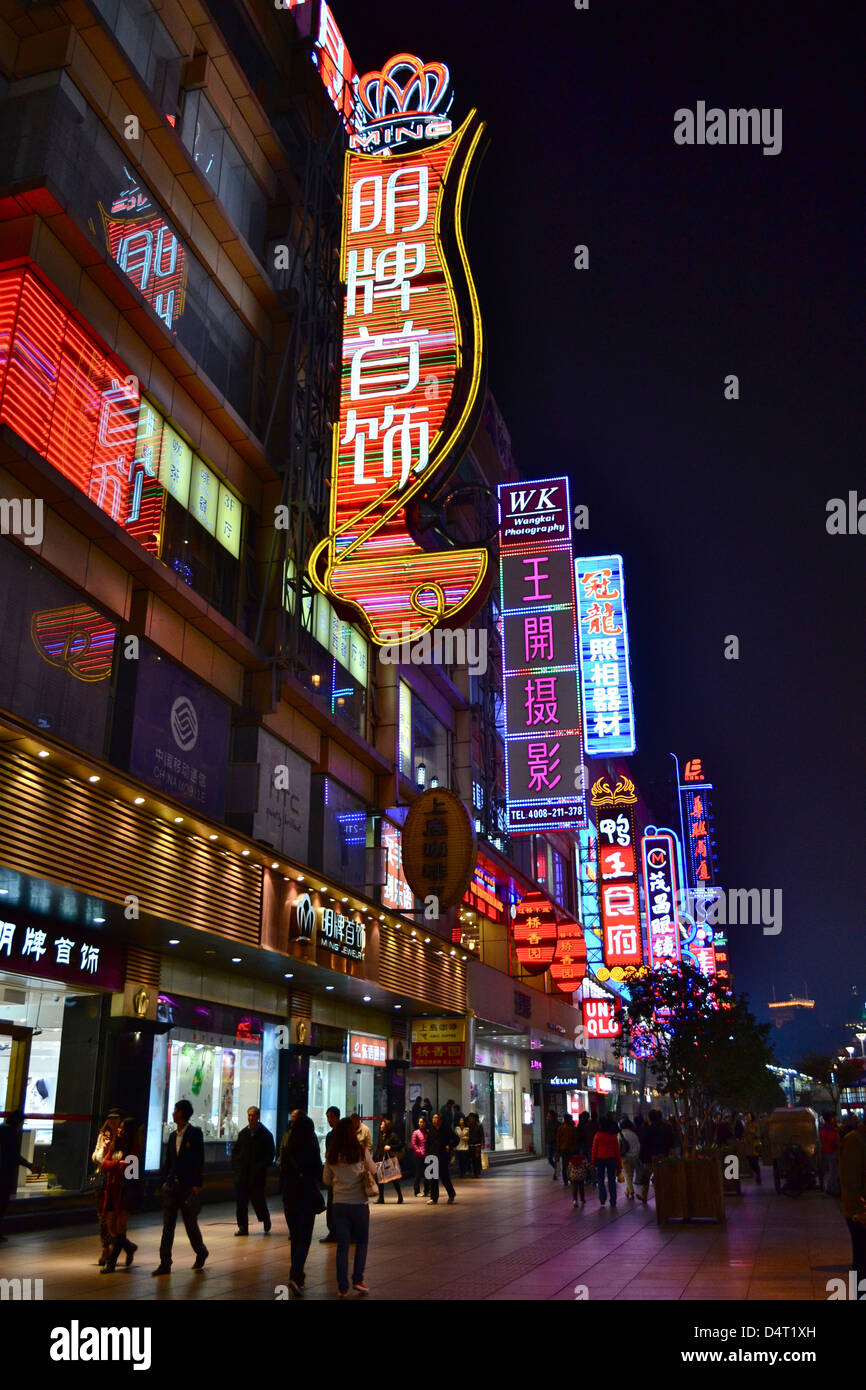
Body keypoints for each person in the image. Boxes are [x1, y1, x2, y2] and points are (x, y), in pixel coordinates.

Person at [323, 1116, 378, 1296]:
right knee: (361, 1242)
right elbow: (374, 1170)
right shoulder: (360, 1151)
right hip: (359, 1204)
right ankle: (358, 1279)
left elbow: (326, 1180)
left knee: (342, 1247)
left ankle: (342, 1287)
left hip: (339, 1204)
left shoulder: (331, 1154)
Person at [152, 1099, 208, 1275]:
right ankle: (165, 1262)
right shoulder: (172, 1135)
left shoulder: (195, 1134)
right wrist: (162, 1181)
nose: (173, 1113)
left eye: (175, 1110)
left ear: (182, 1113)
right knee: (168, 1226)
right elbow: (168, 1162)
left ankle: (201, 1252)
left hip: (187, 1187)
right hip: (171, 1186)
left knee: (190, 1224)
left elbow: (199, 1160)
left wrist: (197, 1184)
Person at [279, 1112, 324, 1295]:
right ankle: (295, 1274)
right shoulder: (311, 1147)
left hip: (289, 1196)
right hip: (306, 1196)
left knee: (295, 1237)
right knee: (304, 1239)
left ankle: (298, 1276)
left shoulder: (288, 1146)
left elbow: (283, 1170)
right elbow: (318, 1172)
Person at [98, 1117, 141, 1272]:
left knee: (120, 1226)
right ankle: (129, 1247)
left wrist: (115, 1166)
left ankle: (111, 1263)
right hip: (112, 1190)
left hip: (126, 1192)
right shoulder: (115, 1145)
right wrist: (117, 1164)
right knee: (111, 1227)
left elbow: (129, 1170)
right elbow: (104, 1164)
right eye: (119, 1127)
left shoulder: (134, 1148)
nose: (119, 1130)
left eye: (123, 1128)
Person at [232, 1105, 275, 1236]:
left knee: (258, 1200)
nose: (251, 1118)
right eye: (249, 1115)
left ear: (258, 1117)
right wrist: (237, 1168)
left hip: (257, 1175)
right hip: (243, 1175)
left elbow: (270, 1153)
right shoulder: (243, 1134)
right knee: (241, 1202)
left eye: (253, 1115)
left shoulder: (265, 1134)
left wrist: (261, 1167)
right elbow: (236, 1152)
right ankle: (243, 1227)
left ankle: (265, 1218)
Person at [0, 1110, 39, 1244]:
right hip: (4, 1173)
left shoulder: (1, 1129)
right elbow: (13, 1156)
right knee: (2, 1202)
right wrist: (29, 1165)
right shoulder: (11, 1134)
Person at [91, 1108, 122, 1264]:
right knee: (103, 1217)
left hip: (116, 1182)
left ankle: (122, 1246)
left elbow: (125, 1161)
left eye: (115, 1119)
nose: (112, 1122)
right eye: (110, 1119)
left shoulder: (123, 1137)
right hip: (103, 1181)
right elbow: (95, 1157)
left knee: (115, 1218)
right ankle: (106, 1248)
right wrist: (103, 1149)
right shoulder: (103, 1136)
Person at [839, 1115, 866, 1286]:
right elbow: (851, 1180)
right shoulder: (855, 1141)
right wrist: (860, 1210)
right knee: (863, 1261)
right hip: (859, 1212)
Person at [636, 1109, 674, 1203]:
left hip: (650, 1156)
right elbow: (670, 1141)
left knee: (646, 1177)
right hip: (662, 1155)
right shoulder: (666, 1127)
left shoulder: (649, 1128)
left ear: (650, 1117)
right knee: (661, 1177)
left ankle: (644, 1195)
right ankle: (663, 1195)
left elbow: (644, 1142)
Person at [425, 1112, 457, 1205]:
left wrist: (449, 1146)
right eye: (433, 1118)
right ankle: (434, 1198)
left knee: (444, 1177)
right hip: (432, 1157)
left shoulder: (446, 1129)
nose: (434, 1120)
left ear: (441, 1120)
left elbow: (456, 1139)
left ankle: (451, 1194)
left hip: (443, 1156)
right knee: (433, 1178)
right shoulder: (431, 1130)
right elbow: (428, 1143)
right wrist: (428, 1154)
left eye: (436, 1118)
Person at [320, 1106, 341, 1243]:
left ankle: (337, 1230)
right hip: (333, 1175)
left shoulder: (342, 1135)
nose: (329, 1120)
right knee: (331, 1202)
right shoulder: (330, 1135)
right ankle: (332, 1230)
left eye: (331, 1117)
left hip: (340, 1176)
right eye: (328, 1117)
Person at [592, 1114, 622, 1207]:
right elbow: (617, 1150)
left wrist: (593, 1161)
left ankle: (602, 1197)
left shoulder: (598, 1135)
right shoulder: (613, 1136)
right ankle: (613, 1200)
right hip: (611, 1159)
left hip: (600, 1159)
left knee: (600, 1179)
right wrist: (619, 1163)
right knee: (611, 1179)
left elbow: (594, 1149)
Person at [373, 1119, 404, 1204]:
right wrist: (374, 1158)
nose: (381, 1126)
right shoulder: (381, 1135)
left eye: (382, 1125)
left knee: (394, 1178)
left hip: (389, 1159)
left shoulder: (392, 1135)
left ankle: (400, 1196)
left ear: (386, 1126)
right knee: (380, 1178)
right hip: (381, 1159)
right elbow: (379, 1147)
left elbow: (400, 1145)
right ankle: (381, 1198)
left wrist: (390, 1147)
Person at [618, 1117, 640, 1200]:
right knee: (630, 1174)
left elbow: (618, 1146)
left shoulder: (620, 1134)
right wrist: (636, 1154)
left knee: (627, 1174)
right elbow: (638, 1145)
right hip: (634, 1156)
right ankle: (627, 1191)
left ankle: (631, 1191)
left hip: (624, 1157)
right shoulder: (633, 1134)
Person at [820, 1112, 841, 1197]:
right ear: (830, 1118)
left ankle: (830, 1189)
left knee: (833, 1171)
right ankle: (832, 1190)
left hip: (828, 1151)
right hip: (832, 1152)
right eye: (834, 1118)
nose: (835, 1119)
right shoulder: (829, 1129)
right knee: (834, 1172)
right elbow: (832, 1140)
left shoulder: (826, 1128)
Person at [411, 1115, 429, 1196]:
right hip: (418, 1156)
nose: (421, 1124)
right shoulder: (416, 1132)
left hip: (427, 1155)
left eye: (423, 1122)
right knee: (418, 1173)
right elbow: (414, 1144)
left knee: (427, 1174)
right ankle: (417, 1191)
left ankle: (427, 1190)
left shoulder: (428, 1132)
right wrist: (419, 1151)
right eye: (420, 1122)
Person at [743, 1112, 762, 1185]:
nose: (747, 1118)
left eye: (748, 1116)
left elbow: (758, 1134)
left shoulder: (755, 1124)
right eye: (747, 1116)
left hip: (754, 1146)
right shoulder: (746, 1125)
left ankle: (758, 1175)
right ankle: (757, 1174)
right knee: (750, 1162)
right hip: (748, 1146)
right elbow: (744, 1134)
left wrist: (753, 1132)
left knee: (755, 1162)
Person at [556, 1114, 573, 1187]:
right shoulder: (572, 1128)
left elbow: (558, 1139)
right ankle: (571, 1178)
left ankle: (565, 1180)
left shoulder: (560, 1128)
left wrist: (558, 1149)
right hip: (571, 1149)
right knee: (572, 1165)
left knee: (564, 1165)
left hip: (563, 1149)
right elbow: (575, 1139)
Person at [467, 1112, 485, 1177]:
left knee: (477, 1159)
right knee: (473, 1159)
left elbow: (482, 1135)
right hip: (471, 1144)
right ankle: (475, 1173)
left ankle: (478, 1172)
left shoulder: (479, 1125)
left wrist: (483, 1144)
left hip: (477, 1145)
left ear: (474, 1118)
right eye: (469, 1118)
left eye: (471, 1118)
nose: (470, 1119)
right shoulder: (468, 1125)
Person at [545, 1108, 559, 1177]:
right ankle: (556, 1169)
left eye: (548, 1115)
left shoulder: (557, 1123)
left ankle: (556, 1172)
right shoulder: (547, 1123)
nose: (547, 1116)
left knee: (557, 1158)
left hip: (555, 1142)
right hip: (549, 1142)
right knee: (549, 1158)